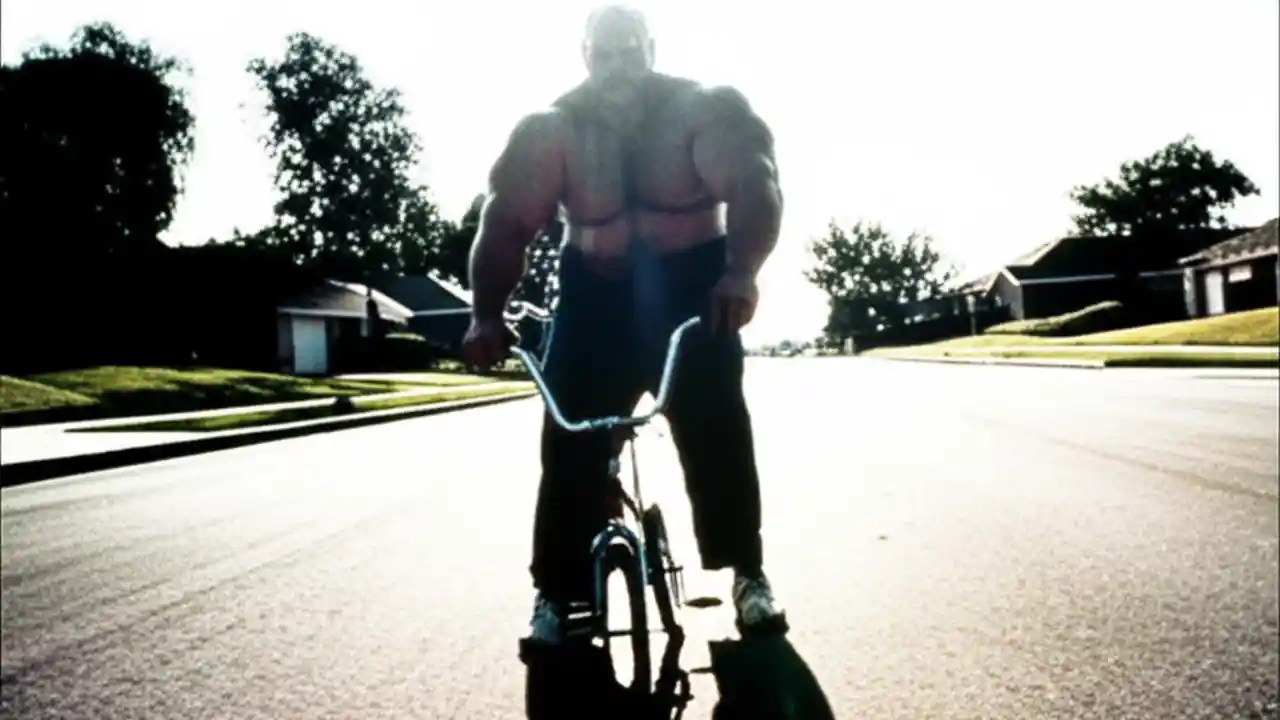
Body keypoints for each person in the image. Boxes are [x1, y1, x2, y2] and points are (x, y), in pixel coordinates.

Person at [461, 4, 786, 644]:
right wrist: (485, 314)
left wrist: (741, 271)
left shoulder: (702, 109)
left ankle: (748, 574)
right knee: (569, 440)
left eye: (631, 50)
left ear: (651, 48)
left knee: (716, 421)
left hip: (693, 288)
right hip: (594, 295)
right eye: (605, 53)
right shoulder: (551, 131)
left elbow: (756, 182)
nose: (619, 65)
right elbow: (505, 226)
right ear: (584, 55)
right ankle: (555, 592)